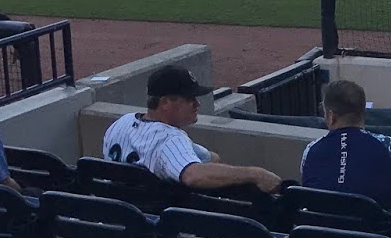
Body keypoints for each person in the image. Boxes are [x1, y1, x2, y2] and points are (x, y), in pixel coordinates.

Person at [102, 64, 282, 191]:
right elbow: (193, 176)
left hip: (118, 216)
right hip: (154, 230)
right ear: (165, 102)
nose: (197, 105)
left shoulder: (121, 124)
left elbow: (207, 158)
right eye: (189, 99)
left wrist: (208, 157)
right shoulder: (169, 139)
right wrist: (254, 174)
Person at [300, 79, 391, 209]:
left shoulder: (311, 150)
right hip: (373, 229)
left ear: (331, 116)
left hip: (318, 228)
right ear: (363, 112)